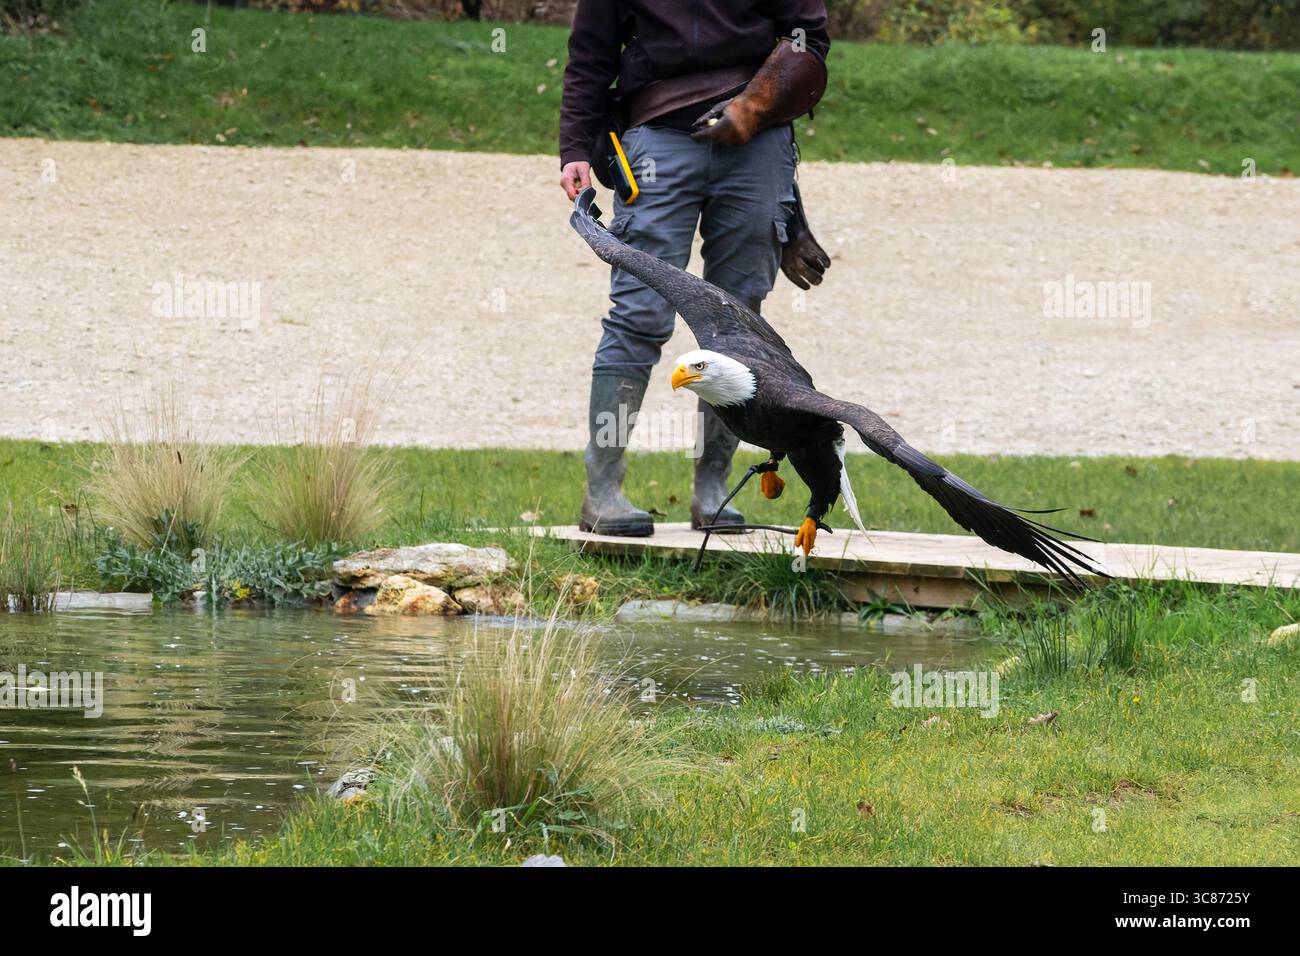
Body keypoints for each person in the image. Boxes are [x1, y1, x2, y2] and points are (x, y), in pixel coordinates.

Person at [561, 0, 830, 536]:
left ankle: (712, 490)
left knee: (739, 326)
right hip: (656, 140)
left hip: (759, 144)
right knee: (638, 317)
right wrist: (574, 146)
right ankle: (603, 492)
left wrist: (754, 105)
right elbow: (590, 56)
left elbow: (807, 41)